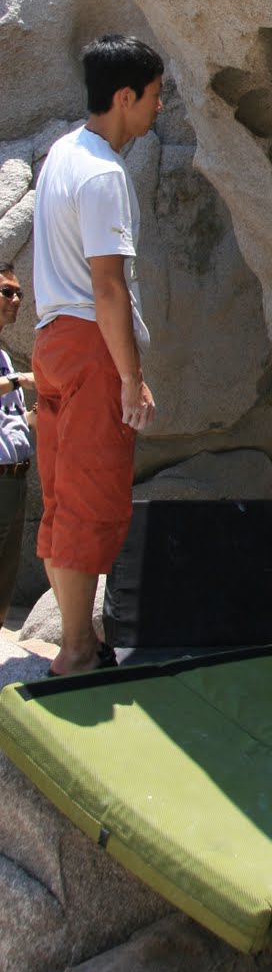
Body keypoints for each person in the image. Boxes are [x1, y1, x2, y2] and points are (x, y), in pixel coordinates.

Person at [32, 34, 164, 675]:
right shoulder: (105, 173)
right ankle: (78, 650)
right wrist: (130, 378)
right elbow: (107, 286)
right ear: (124, 96)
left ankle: (75, 641)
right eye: (155, 97)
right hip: (90, 345)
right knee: (92, 499)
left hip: (53, 339)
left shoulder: (61, 153)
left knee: (60, 499)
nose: (158, 110)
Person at [0, 263, 35, 626]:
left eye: (19, 292)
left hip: (14, 480)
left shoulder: (4, 356)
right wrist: (19, 380)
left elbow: (8, 421)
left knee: (4, 580)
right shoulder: (12, 371)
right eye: (7, 292)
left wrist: (32, 421)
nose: (16, 299)